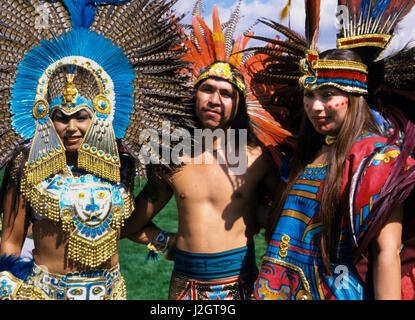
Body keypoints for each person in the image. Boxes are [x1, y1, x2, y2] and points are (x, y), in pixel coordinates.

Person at [0, 0, 192, 300]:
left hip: (110, 293)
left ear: (100, 116)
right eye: (60, 117)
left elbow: (129, 221)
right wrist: (11, 291)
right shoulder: (26, 164)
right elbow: (10, 243)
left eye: (81, 117)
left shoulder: (121, 165)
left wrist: (167, 240)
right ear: (46, 117)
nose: (70, 127)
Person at [122, 4, 293, 300]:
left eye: (225, 93)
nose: (215, 100)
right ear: (194, 95)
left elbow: (286, 217)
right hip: (184, 287)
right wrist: (169, 242)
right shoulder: (171, 156)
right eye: (207, 90)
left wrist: (259, 214)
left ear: (239, 104)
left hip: (240, 284)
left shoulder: (258, 157)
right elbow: (132, 226)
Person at [250, 1, 415, 300]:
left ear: (354, 99)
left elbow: (386, 254)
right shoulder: (308, 153)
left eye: (328, 95)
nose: (315, 107)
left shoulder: (377, 160)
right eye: (309, 95)